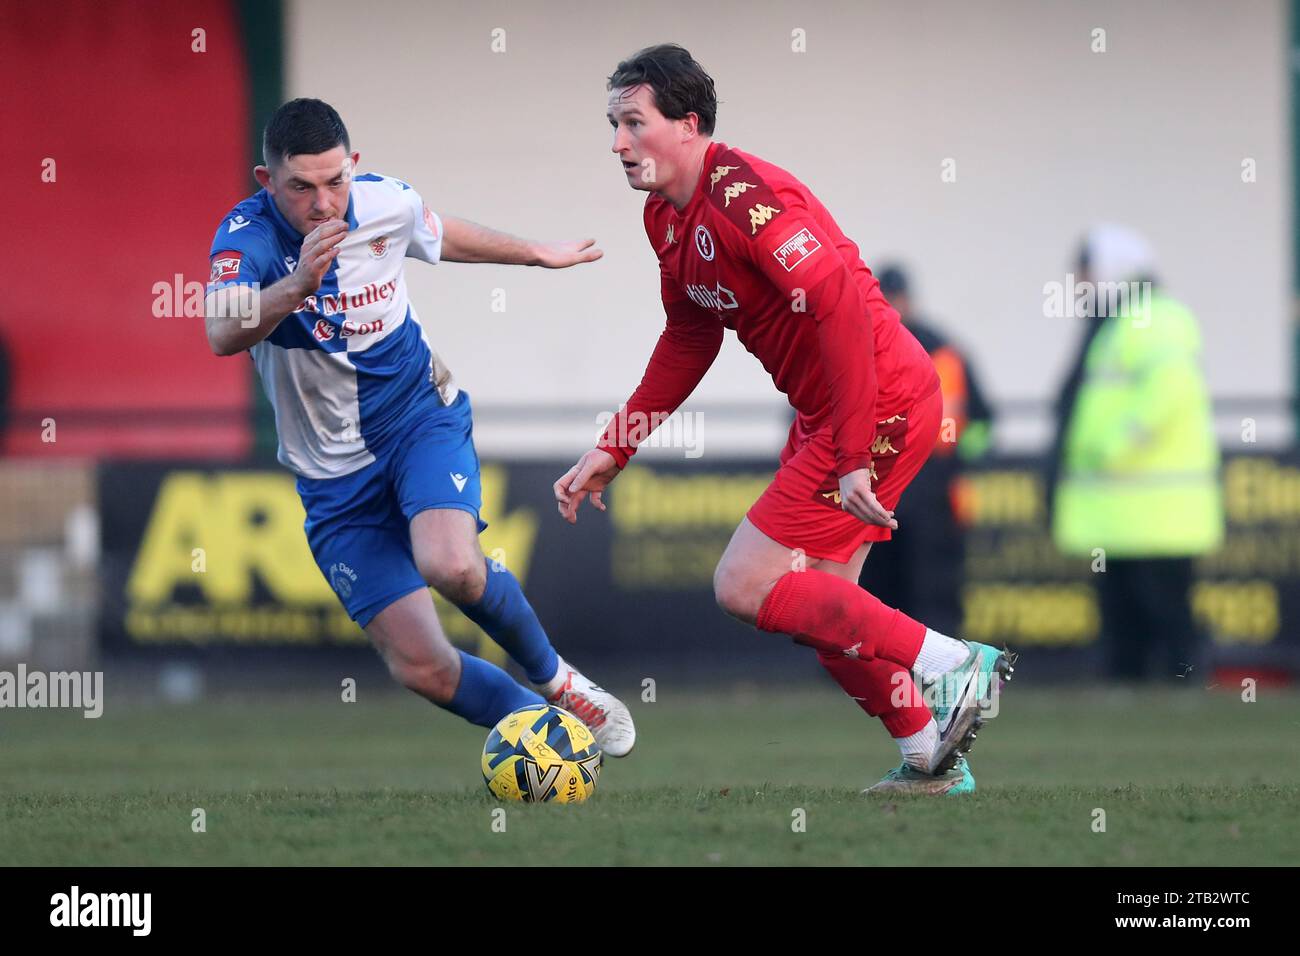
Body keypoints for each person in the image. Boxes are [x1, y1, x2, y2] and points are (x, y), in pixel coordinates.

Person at [554, 46, 1012, 795]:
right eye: (613, 125)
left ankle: (955, 665)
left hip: (877, 397)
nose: (617, 144)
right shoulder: (665, 219)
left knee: (743, 583)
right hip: (830, 408)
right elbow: (689, 337)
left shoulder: (744, 194)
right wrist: (618, 444)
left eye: (633, 123)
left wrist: (854, 448)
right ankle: (931, 758)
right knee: (822, 605)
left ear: (688, 123)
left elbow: (833, 303)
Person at [204, 98, 635, 755]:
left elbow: (438, 232)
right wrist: (296, 284)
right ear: (268, 182)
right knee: (423, 668)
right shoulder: (247, 238)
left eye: (335, 181)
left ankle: (559, 683)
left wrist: (532, 254)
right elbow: (221, 330)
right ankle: (556, 739)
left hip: (416, 420)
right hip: (332, 479)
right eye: (301, 187)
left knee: (451, 565)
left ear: (353, 166)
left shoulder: (384, 203)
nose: (323, 204)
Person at [1049, 224, 1223, 681]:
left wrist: (1113, 447)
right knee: (1126, 616)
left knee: (1165, 612)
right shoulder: (1122, 323)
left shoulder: (1155, 319)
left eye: (1087, 274)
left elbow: (1171, 391)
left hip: (1154, 511)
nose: (1081, 286)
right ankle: (1140, 691)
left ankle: (1184, 690)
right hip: (1126, 514)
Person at [858, 265, 995, 637]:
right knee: (875, 588)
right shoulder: (855, 345)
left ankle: (940, 667)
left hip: (932, 497)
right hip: (873, 494)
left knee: (934, 592)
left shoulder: (944, 351)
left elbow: (982, 421)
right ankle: (876, 666)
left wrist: (954, 463)